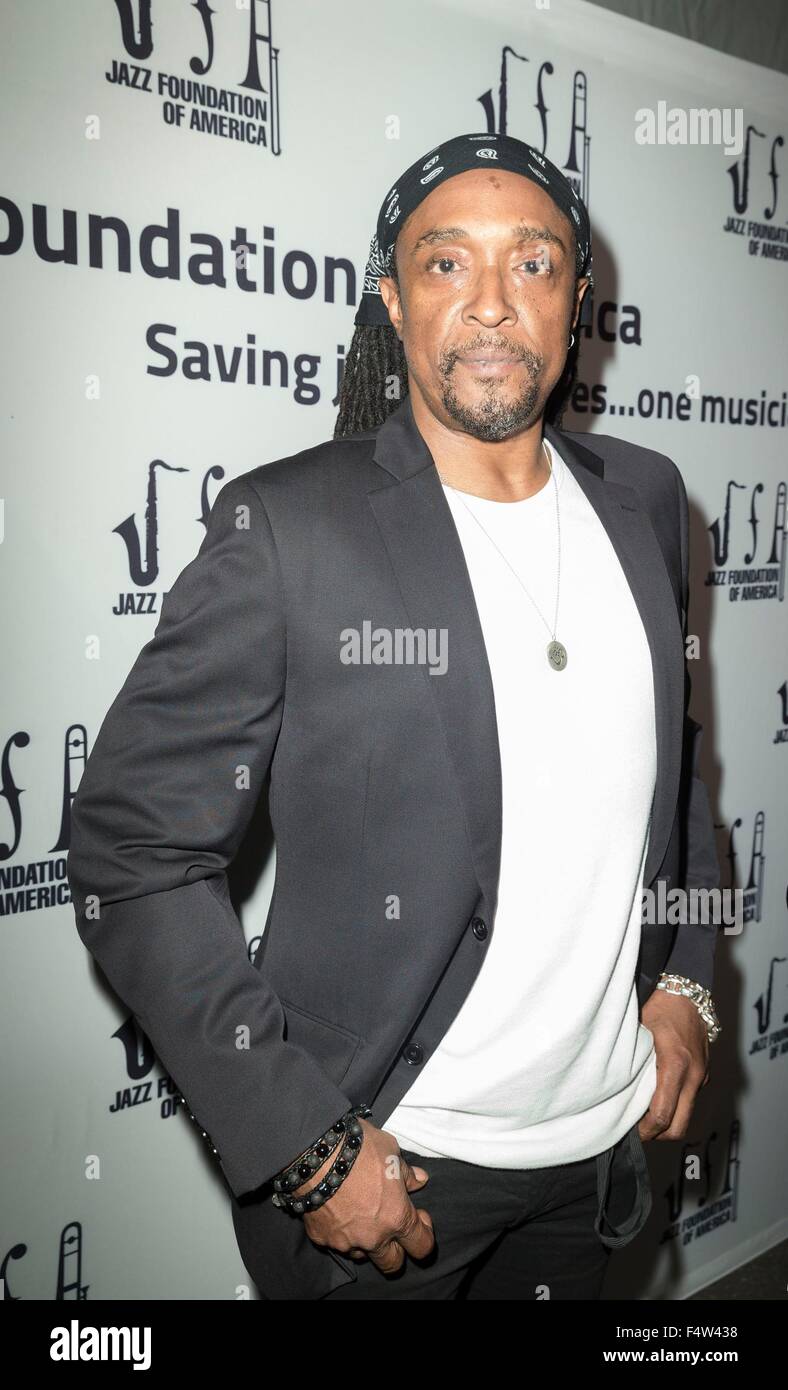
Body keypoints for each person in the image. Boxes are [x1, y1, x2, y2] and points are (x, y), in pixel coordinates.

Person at [67, 132, 722, 1301]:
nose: (487, 304)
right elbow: (133, 849)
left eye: (530, 263)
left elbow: (679, 780)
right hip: (395, 1174)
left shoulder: (648, 501)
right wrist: (305, 1146)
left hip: (600, 1154)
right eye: (442, 263)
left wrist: (682, 984)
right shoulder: (290, 529)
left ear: (576, 299)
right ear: (390, 296)